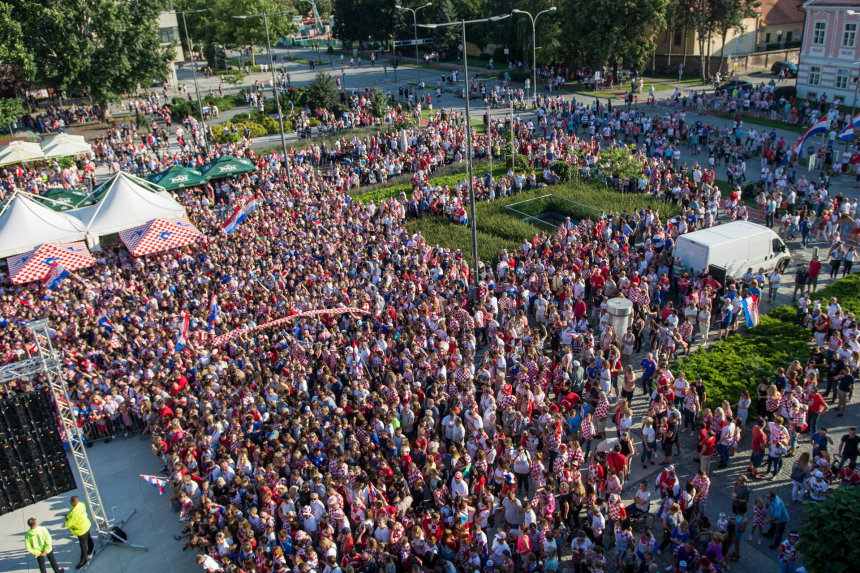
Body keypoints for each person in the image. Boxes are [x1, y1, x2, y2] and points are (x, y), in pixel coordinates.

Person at [65, 496, 95, 569]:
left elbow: (69, 523)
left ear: (72, 503)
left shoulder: (74, 513)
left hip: (81, 530)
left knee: (83, 546)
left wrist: (67, 520)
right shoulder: (81, 504)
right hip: (85, 525)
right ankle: (92, 549)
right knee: (89, 538)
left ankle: (83, 560)